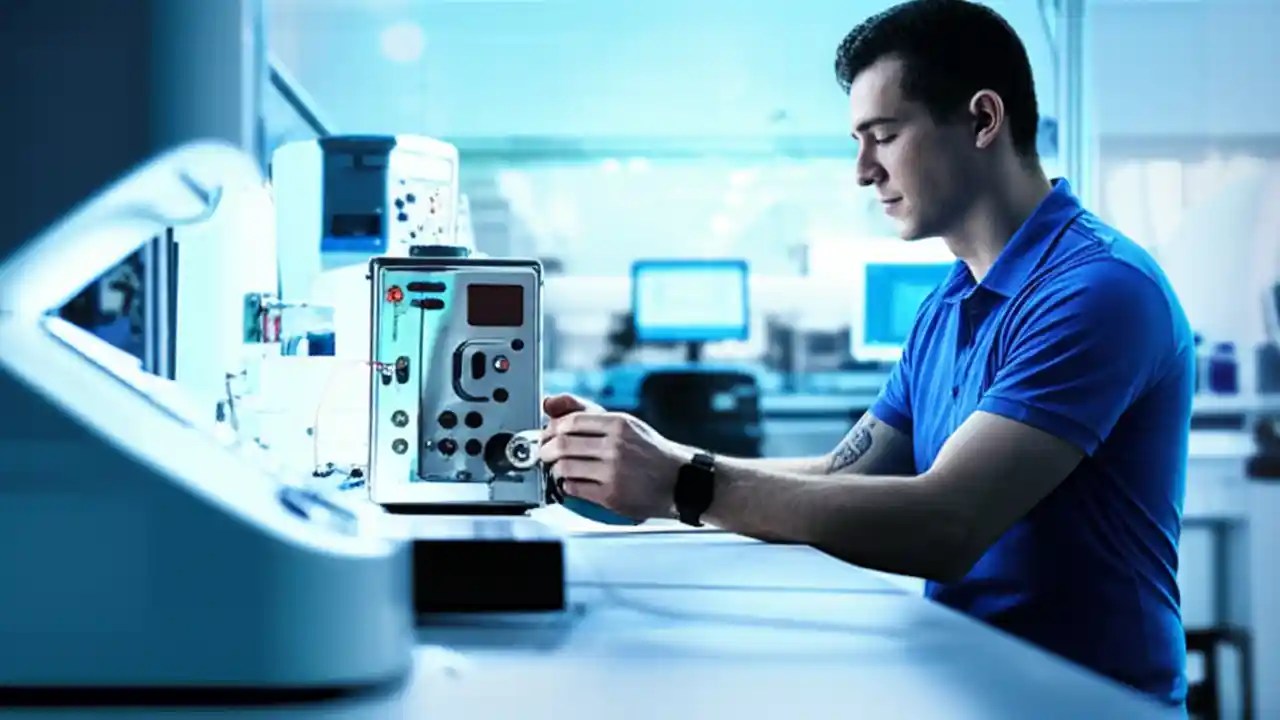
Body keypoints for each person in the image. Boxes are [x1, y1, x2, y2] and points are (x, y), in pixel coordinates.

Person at [539, 0, 1192, 708]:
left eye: (883, 135)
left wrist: (681, 482)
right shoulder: (949, 304)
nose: (862, 171)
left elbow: (947, 522)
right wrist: (649, 464)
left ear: (982, 120)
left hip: (1085, 703)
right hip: (976, 683)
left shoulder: (1098, 291)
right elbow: (841, 469)